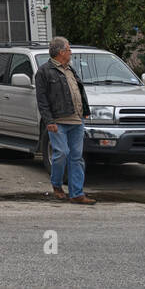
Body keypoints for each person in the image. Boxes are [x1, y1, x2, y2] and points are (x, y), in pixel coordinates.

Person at [35, 36, 96, 203]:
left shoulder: (71, 69)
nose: (70, 52)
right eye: (69, 49)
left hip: (76, 120)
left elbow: (79, 91)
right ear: (61, 52)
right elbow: (42, 99)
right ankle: (56, 184)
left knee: (76, 157)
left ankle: (77, 194)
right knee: (61, 153)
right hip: (58, 121)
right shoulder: (44, 71)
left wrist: (85, 110)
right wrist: (49, 121)